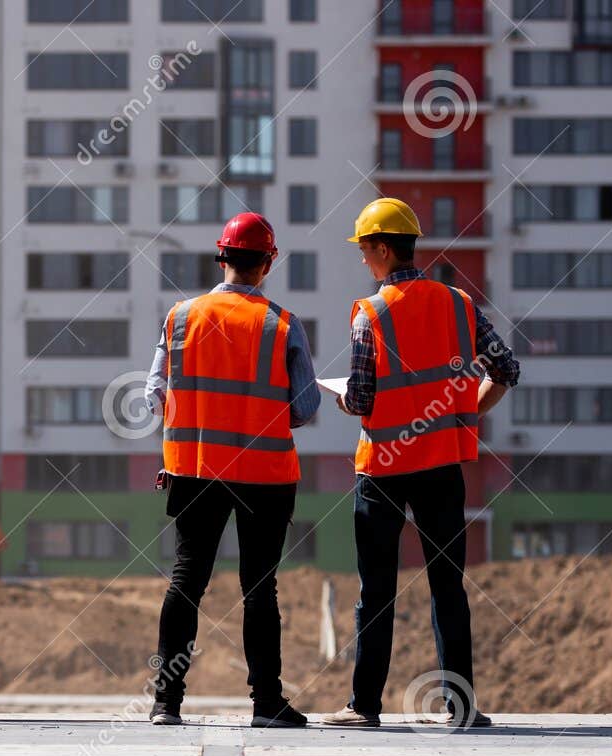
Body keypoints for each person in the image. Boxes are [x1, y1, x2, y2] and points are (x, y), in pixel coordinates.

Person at [320, 198, 520, 729]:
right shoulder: (460, 304)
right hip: (442, 465)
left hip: (382, 468)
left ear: (384, 248)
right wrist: (467, 411)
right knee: (448, 587)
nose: (364, 261)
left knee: (376, 590)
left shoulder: (370, 313)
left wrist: (341, 398)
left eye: (365, 251)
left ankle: (365, 708)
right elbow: (506, 368)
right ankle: (462, 707)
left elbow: (361, 399)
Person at [145, 211, 320, 728]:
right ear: (268, 263)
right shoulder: (281, 324)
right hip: (264, 476)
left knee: (186, 581)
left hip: (195, 469)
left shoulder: (180, 317)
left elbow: (154, 394)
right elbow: (306, 406)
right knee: (259, 589)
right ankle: (267, 704)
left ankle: (165, 702)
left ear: (221, 257)